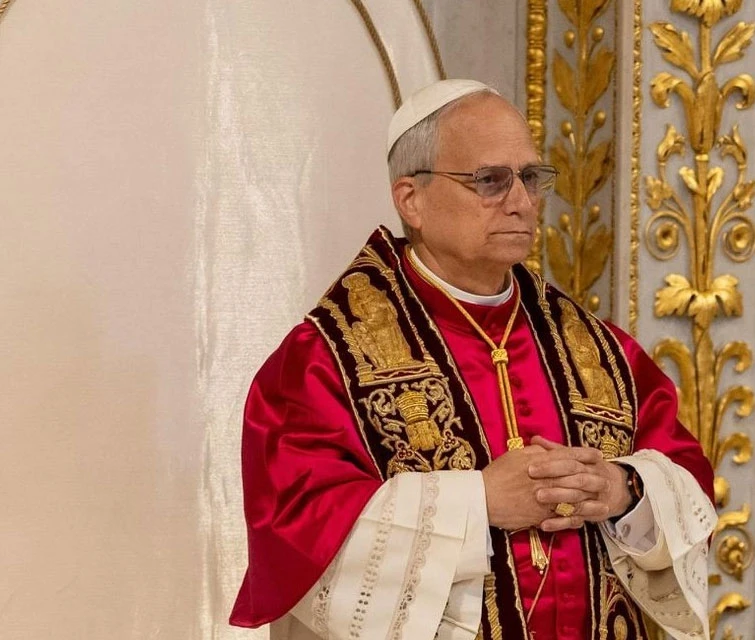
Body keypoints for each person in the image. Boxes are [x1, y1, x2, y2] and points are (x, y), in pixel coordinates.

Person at [229, 79, 717, 640]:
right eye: (490, 180)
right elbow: (297, 531)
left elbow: (689, 483)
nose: (520, 201)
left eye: (531, 179)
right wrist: (477, 501)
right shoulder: (327, 358)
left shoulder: (600, 351)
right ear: (411, 198)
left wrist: (624, 490)